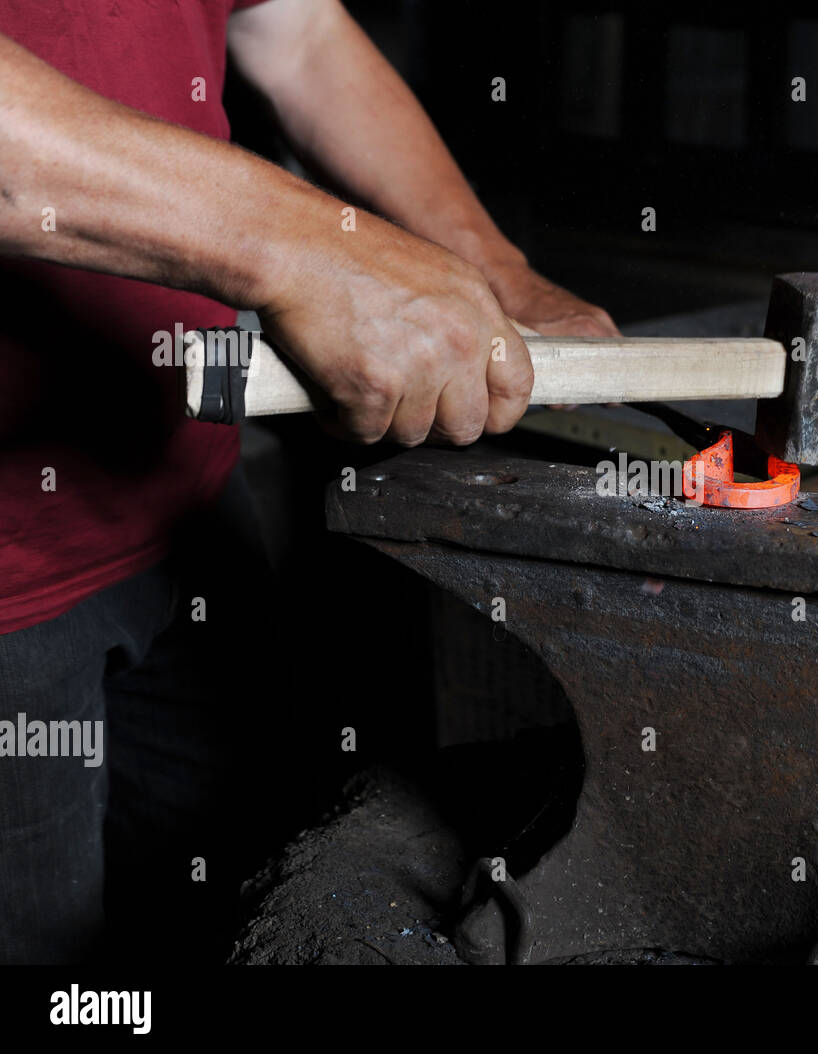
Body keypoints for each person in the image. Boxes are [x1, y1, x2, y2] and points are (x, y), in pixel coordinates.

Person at [0, 0, 617, 964]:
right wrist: (317, 251)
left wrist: (493, 271)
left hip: (186, 505)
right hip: (9, 583)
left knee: (233, 915)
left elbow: (295, 31)